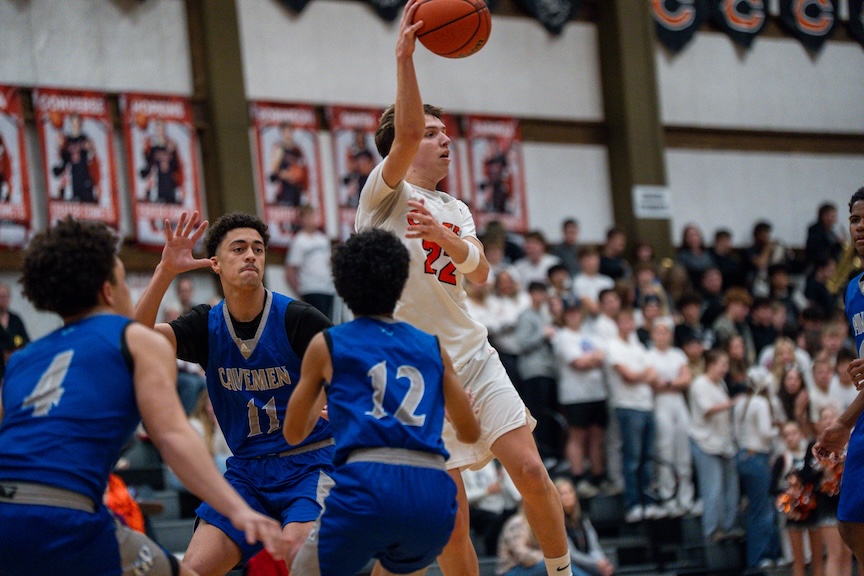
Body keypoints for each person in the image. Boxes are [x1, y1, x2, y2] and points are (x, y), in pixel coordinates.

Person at [355, 3, 572, 574]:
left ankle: (562, 571)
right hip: (416, 371)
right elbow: (402, 131)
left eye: (445, 133)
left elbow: (479, 272)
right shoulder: (382, 194)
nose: (444, 141)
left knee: (530, 470)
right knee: (451, 519)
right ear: (400, 147)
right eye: (431, 134)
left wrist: (448, 238)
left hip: (472, 355)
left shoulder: (455, 207)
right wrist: (404, 57)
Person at [0, 217, 285, 575]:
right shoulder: (132, 341)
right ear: (108, 290)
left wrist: (166, 269)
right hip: (64, 514)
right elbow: (172, 437)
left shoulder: (22, 360)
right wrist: (239, 509)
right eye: (123, 279)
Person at [133, 211, 334, 575]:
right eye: (238, 249)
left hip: (309, 463)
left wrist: (343, 402)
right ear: (215, 263)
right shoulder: (204, 325)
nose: (250, 256)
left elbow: (354, 370)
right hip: (247, 473)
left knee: (302, 559)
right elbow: (134, 337)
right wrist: (165, 271)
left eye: (257, 249)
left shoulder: (299, 319)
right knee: (193, 568)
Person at [286, 228, 481, 576]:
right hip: (432, 496)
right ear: (401, 281)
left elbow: (294, 433)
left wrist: (323, 395)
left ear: (342, 286)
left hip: (367, 484)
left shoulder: (328, 343)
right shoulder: (433, 347)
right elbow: (468, 433)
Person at [815, 187, 864, 565]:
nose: (860, 227)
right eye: (855, 219)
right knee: (851, 522)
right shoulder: (852, 291)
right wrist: (844, 424)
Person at [551, 298, 607, 499]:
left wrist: (591, 359)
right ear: (564, 315)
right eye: (570, 312)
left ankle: (597, 476)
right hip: (575, 395)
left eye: (577, 312)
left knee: (596, 436)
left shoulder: (590, 334)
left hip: (597, 392)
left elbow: (603, 356)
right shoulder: (562, 337)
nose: (574, 316)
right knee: (577, 436)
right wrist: (593, 359)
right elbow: (578, 362)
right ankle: (578, 476)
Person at [688, 348, 740, 541]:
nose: (725, 369)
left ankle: (730, 526)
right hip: (705, 443)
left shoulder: (721, 384)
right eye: (723, 365)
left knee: (730, 488)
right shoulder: (699, 384)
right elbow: (707, 409)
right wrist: (732, 403)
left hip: (724, 443)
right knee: (713, 488)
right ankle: (712, 530)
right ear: (711, 365)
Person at [733, 372, 780, 568]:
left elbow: (735, 433)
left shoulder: (740, 402)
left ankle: (757, 558)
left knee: (754, 509)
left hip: (743, 456)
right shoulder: (760, 403)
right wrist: (779, 428)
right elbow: (765, 432)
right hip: (757, 458)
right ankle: (761, 558)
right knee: (763, 510)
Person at [773, 422, 824, 576]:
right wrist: (787, 496)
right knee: (798, 560)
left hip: (812, 510)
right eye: (786, 435)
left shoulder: (809, 453)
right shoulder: (782, 459)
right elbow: (773, 488)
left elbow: (815, 479)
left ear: (801, 434)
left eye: (793, 433)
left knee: (818, 558)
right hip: (793, 513)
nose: (790, 438)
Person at [554, 478, 615, 576]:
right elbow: (570, 554)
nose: (568, 496)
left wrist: (602, 562)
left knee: (608, 571)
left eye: (570, 492)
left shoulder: (583, 520)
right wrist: (595, 563)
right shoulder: (556, 523)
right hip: (569, 565)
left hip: (589, 562)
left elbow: (594, 547)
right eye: (563, 493)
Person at [285, 205, 336, 320]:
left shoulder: (323, 239)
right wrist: (299, 292)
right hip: (311, 289)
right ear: (301, 220)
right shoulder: (299, 241)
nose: (311, 220)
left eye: (313, 216)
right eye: (307, 217)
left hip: (328, 288)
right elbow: (291, 270)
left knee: (331, 323)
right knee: (319, 323)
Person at [51, 112, 100, 203]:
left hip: (85, 179)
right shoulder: (67, 141)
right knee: (72, 208)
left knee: (88, 205)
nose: (75, 125)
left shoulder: (85, 139)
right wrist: (60, 147)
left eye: (77, 122)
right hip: (73, 180)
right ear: (70, 123)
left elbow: (93, 161)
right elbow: (63, 161)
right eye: (73, 123)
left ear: (81, 124)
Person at [139, 119, 183, 204]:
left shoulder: (171, 147)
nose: (159, 131)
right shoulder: (153, 148)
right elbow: (149, 165)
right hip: (158, 186)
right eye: (157, 129)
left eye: (161, 128)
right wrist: (144, 150)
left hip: (170, 185)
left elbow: (177, 166)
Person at [268, 123, 308, 206]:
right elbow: (273, 174)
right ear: (282, 133)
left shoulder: (296, 150)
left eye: (290, 132)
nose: (288, 134)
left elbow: (302, 170)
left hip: (296, 192)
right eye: (286, 132)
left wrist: (299, 177)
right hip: (285, 192)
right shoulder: (279, 149)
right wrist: (286, 175)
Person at [0, 282, 29, 380]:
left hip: (15, 367)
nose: (2, 300)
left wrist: (15, 351)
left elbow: (26, 340)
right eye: (0, 297)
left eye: (5, 297)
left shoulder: (15, 319)